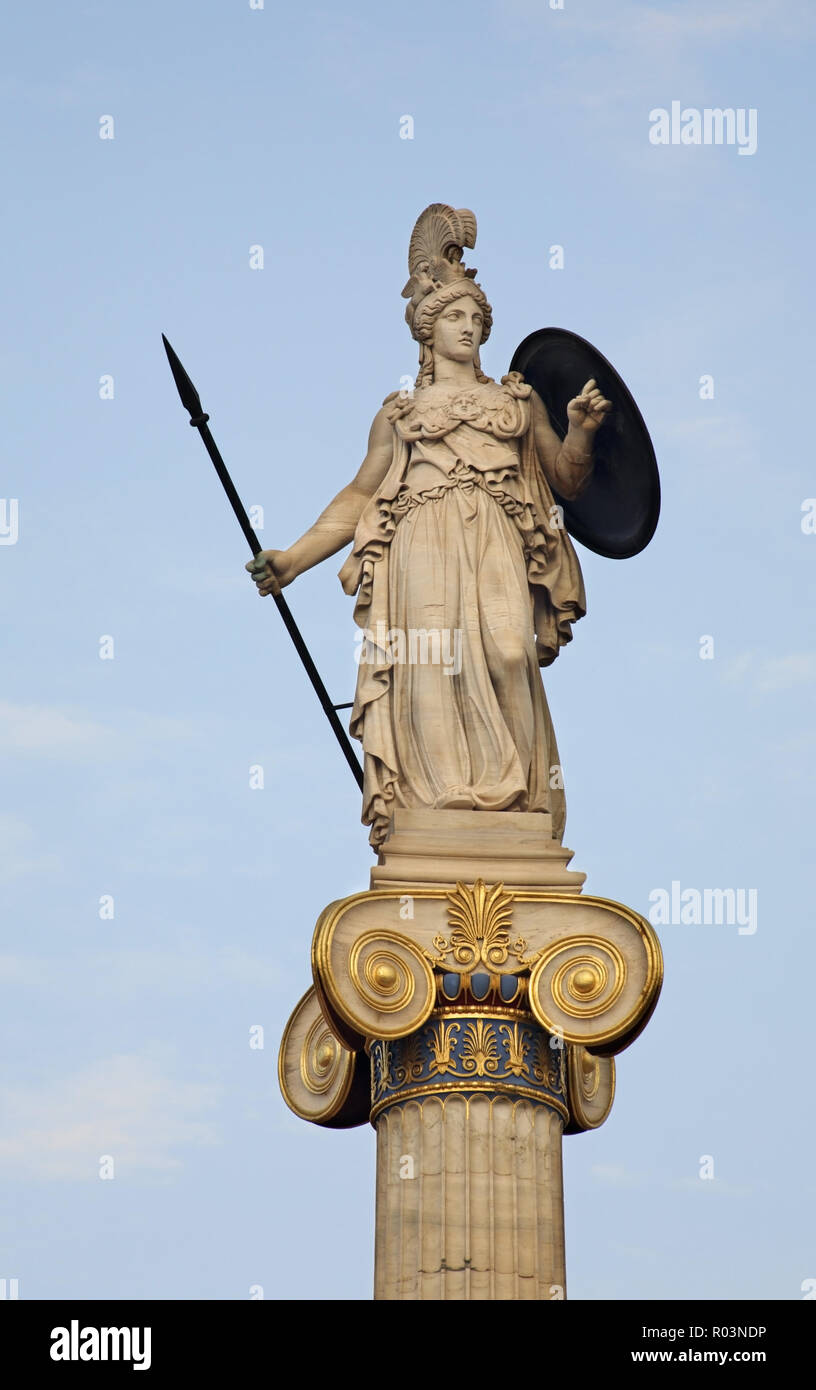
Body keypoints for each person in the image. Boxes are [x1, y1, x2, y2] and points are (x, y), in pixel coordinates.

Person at [248, 205, 610, 849]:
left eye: (477, 318)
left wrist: (580, 430)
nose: (468, 328)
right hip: (418, 538)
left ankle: (518, 798)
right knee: (428, 665)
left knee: (507, 651)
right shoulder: (401, 413)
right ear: (426, 329)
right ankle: (443, 798)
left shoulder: (515, 402)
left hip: (494, 533)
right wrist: (294, 560)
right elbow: (361, 494)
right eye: (454, 317)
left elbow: (567, 480)